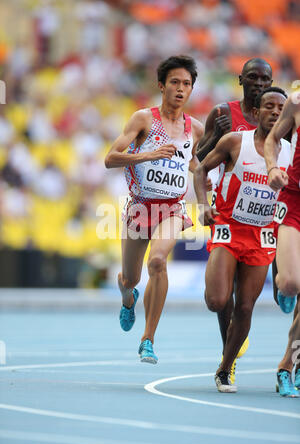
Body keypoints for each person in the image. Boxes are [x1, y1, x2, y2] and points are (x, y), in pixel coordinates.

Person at [104, 55, 204, 364]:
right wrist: (147, 156)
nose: (180, 89)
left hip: (172, 209)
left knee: (158, 261)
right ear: (161, 85)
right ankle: (127, 296)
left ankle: (148, 339)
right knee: (130, 278)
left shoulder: (196, 129)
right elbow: (110, 158)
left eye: (186, 84)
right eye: (174, 82)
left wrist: (204, 204)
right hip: (140, 209)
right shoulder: (143, 119)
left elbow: (196, 168)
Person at [194, 87, 290, 392]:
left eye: (280, 108)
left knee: (246, 308)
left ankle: (225, 368)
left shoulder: (291, 152)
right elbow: (200, 169)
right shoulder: (236, 141)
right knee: (216, 301)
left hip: (263, 234)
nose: (275, 112)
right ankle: (220, 288)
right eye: (269, 107)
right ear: (257, 112)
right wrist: (203, 204)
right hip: (228, 226)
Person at [264, 90, 300, 397]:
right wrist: (273, 167)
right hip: (295, 200)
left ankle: (288, 366)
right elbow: (272, 139)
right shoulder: (298, 102)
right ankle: (282, 281)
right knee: (290, 283)